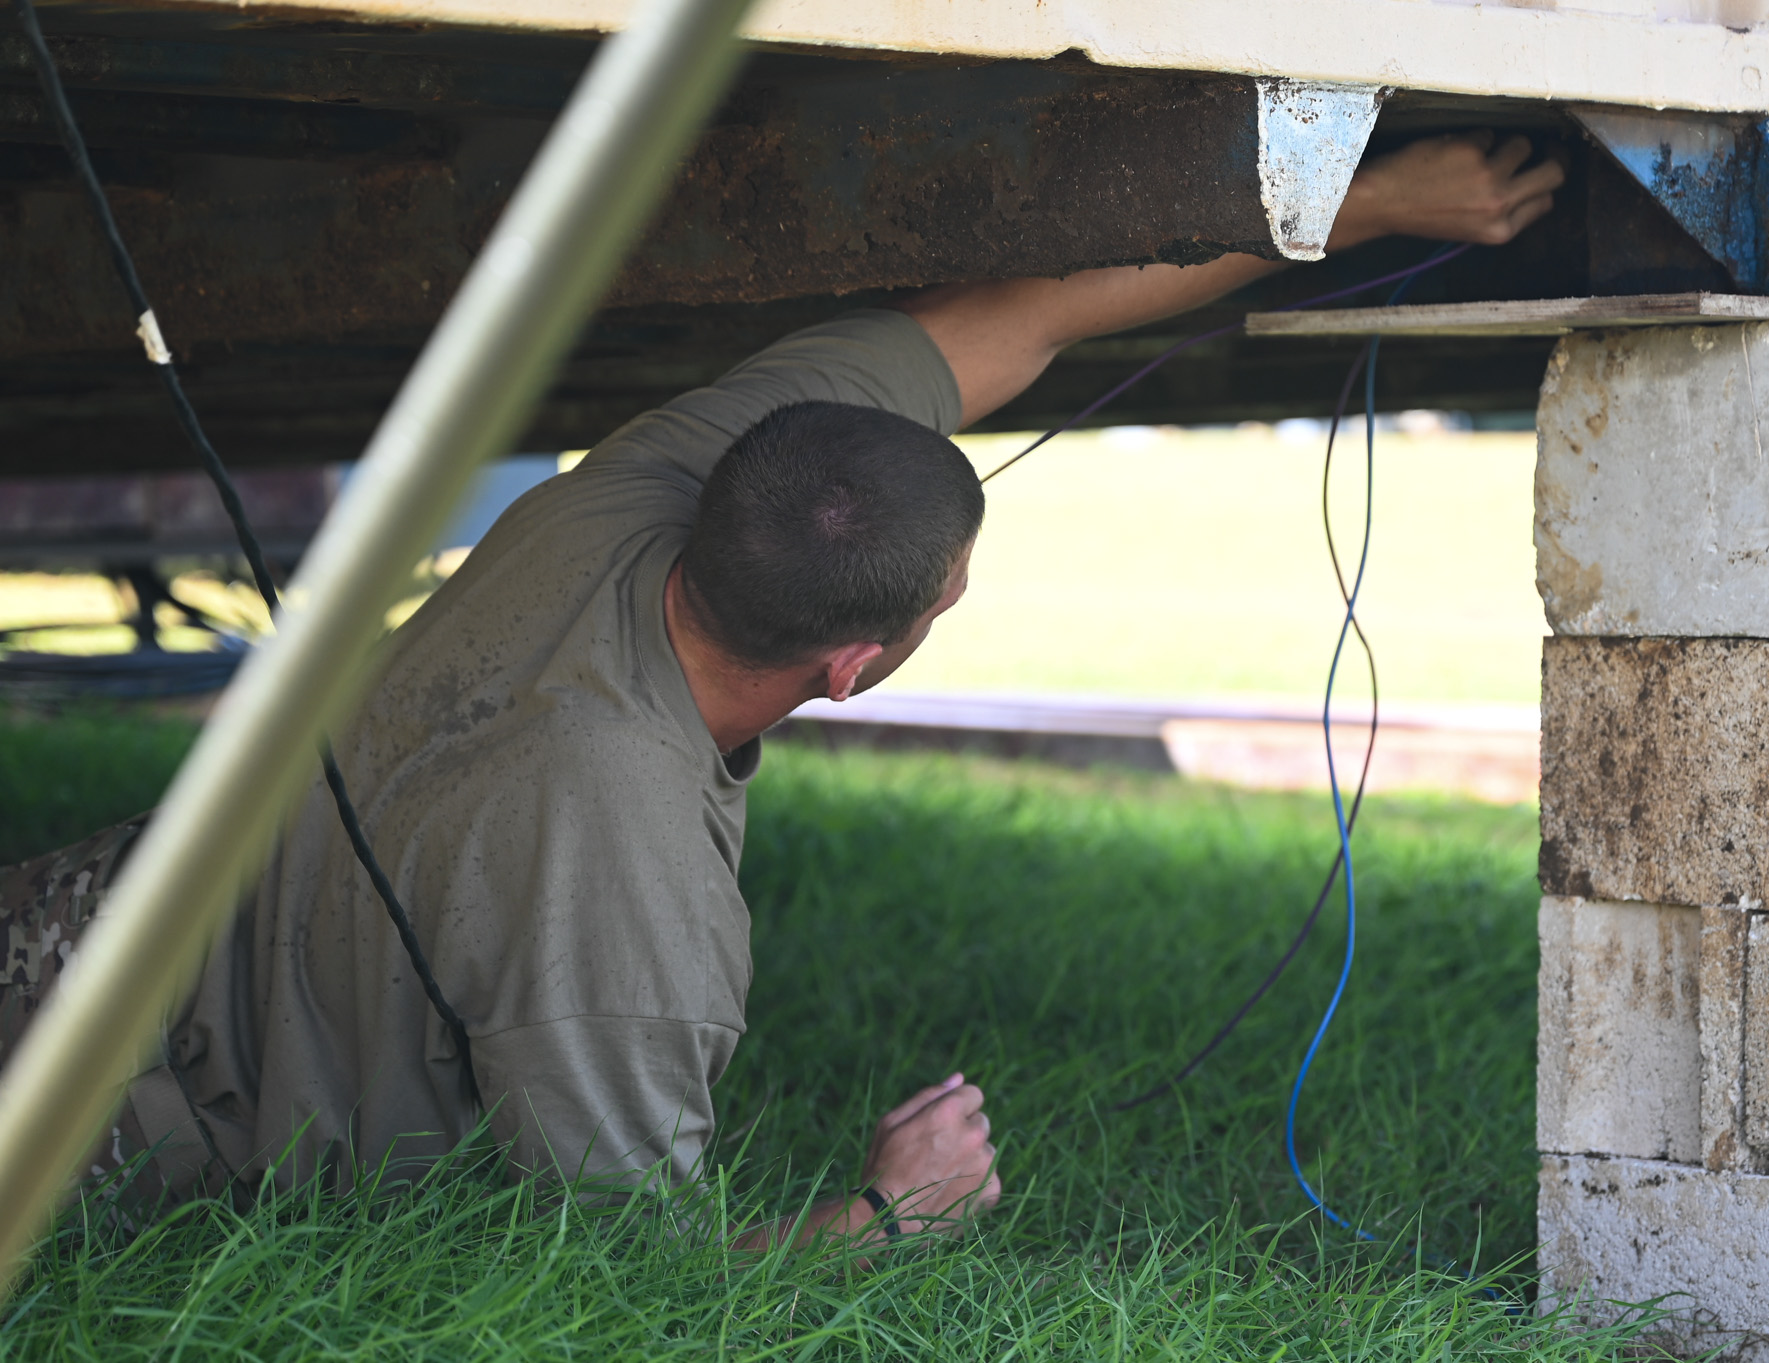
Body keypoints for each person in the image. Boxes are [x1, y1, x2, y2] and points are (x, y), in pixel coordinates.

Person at [0, 131, 1562, 1243]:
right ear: (854, 670)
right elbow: (620, 1280)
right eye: (950, 591)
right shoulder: (626, 900)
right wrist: (888, 1212)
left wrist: (1368, 202)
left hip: (62, 920)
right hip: (86, 1123)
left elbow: (1024, 318)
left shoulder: (671, 478)